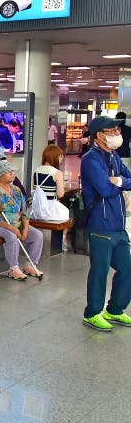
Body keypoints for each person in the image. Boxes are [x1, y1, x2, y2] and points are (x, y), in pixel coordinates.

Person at [80, 116, 131, 331]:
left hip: (118, 225)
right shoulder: (90, 160)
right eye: (112, 131)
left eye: (117, 130)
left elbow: (126, 180)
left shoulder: (114, 157)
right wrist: (120, 187)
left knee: (127, 269)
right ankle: (92, 313)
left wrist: (118, 181)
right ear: (99, 135)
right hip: (100, 225)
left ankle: (115, 309)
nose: (117, 134)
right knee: (100, 271)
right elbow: (104, 188)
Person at [0, 160, 44, 281]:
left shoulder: (16, 190)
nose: (12, 174)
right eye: (8, 172)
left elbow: (24, 211)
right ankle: (13, 268)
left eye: (12, 171)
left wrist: (25, 228)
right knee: (10, 235)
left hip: (17, 223)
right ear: (0, 176)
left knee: (37, 235)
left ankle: (30, 264)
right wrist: (11, 228)